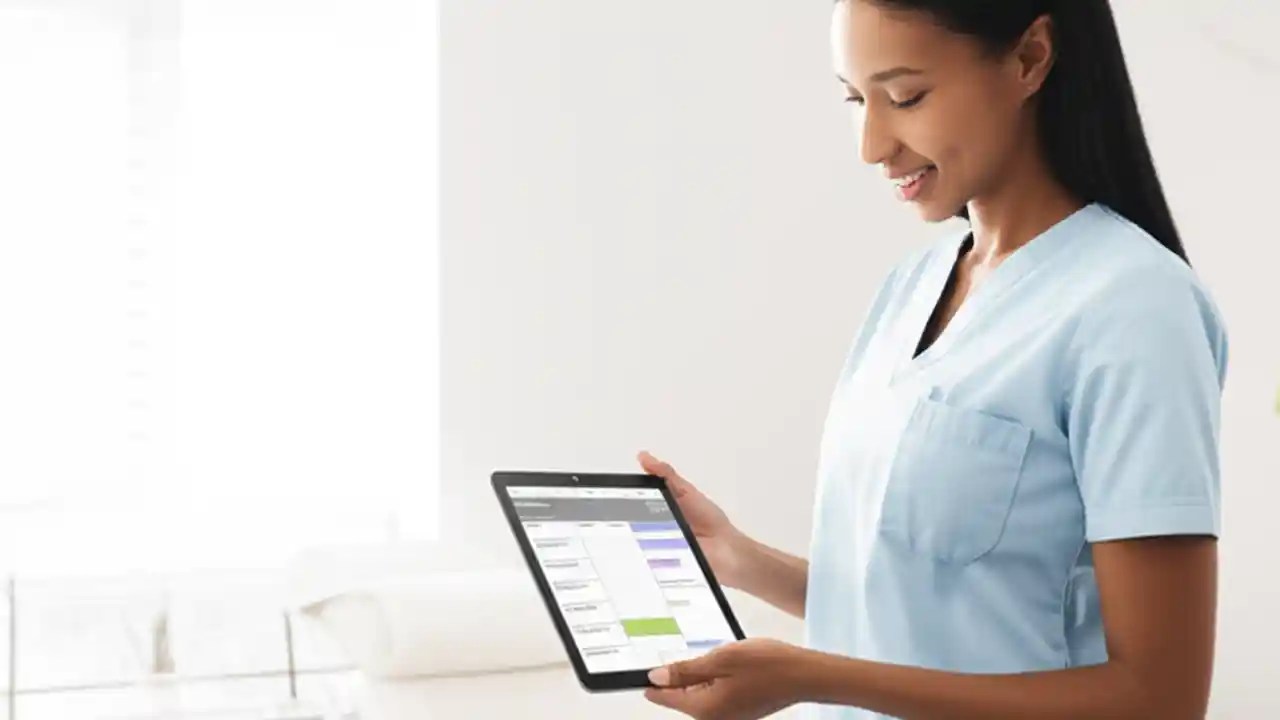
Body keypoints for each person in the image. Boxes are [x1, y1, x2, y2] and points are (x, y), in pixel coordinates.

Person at [637, 1, 1228, 718]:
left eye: (905, 97)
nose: (872, 145)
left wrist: (812, 676)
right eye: (855, 98)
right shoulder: (910, 289)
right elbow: (923, 607)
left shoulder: (1134, 309)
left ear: (1030, 58)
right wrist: (738, 560)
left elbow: (1158, 699)